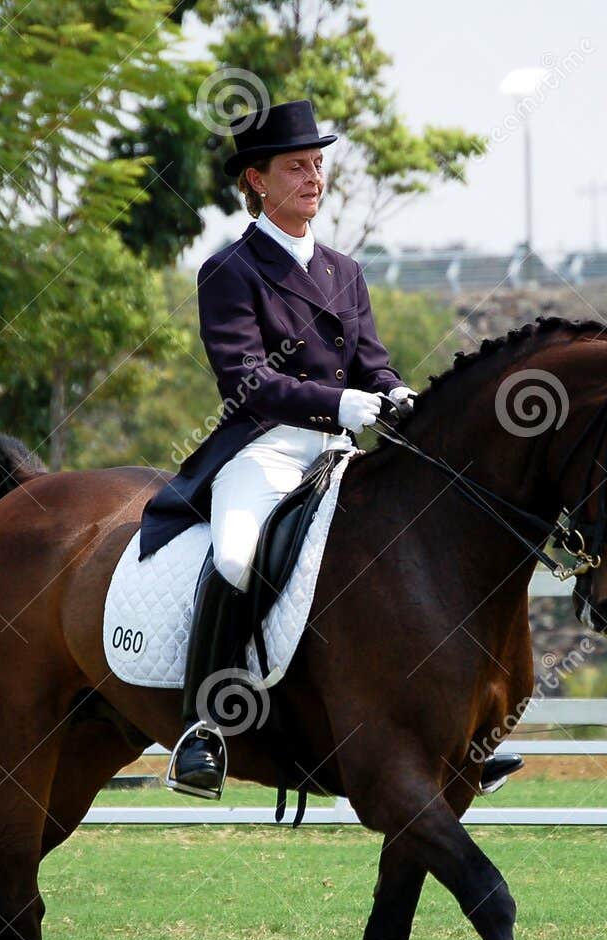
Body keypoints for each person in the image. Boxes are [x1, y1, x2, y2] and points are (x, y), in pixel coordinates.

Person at [138, 99, 412, 798]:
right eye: (297, 166)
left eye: (318, 165)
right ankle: (203, 729)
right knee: (234, 553)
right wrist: (339, 402)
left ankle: (439, 723)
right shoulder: (230, 269)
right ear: (257, 180)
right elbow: (248, 379)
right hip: (264, 449)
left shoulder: (345, 271)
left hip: (338, 453)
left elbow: (372, 365)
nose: (314, 177)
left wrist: (397, 393)